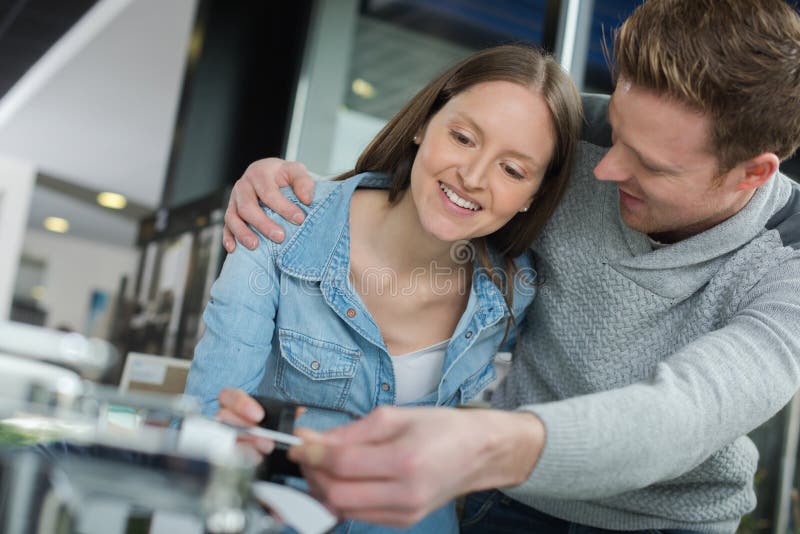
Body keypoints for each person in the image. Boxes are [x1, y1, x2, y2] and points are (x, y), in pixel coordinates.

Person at [218, 0, 800, 532]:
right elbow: (437, 181)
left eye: (649, 165)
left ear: (752, 173)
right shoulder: (569, 139)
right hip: (511, 502)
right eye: (615, 133)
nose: (602, 168)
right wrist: (284, 186)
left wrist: (479, 444)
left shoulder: (788, 260)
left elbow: (684, 413)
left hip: (666, 520)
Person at [185, 44, 583, 533]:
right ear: (422, 124)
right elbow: (208, 426)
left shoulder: (515, 291)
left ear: (534, 196)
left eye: (513, 170)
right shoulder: (281, 227)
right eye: (462, 138)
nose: (474, 177)